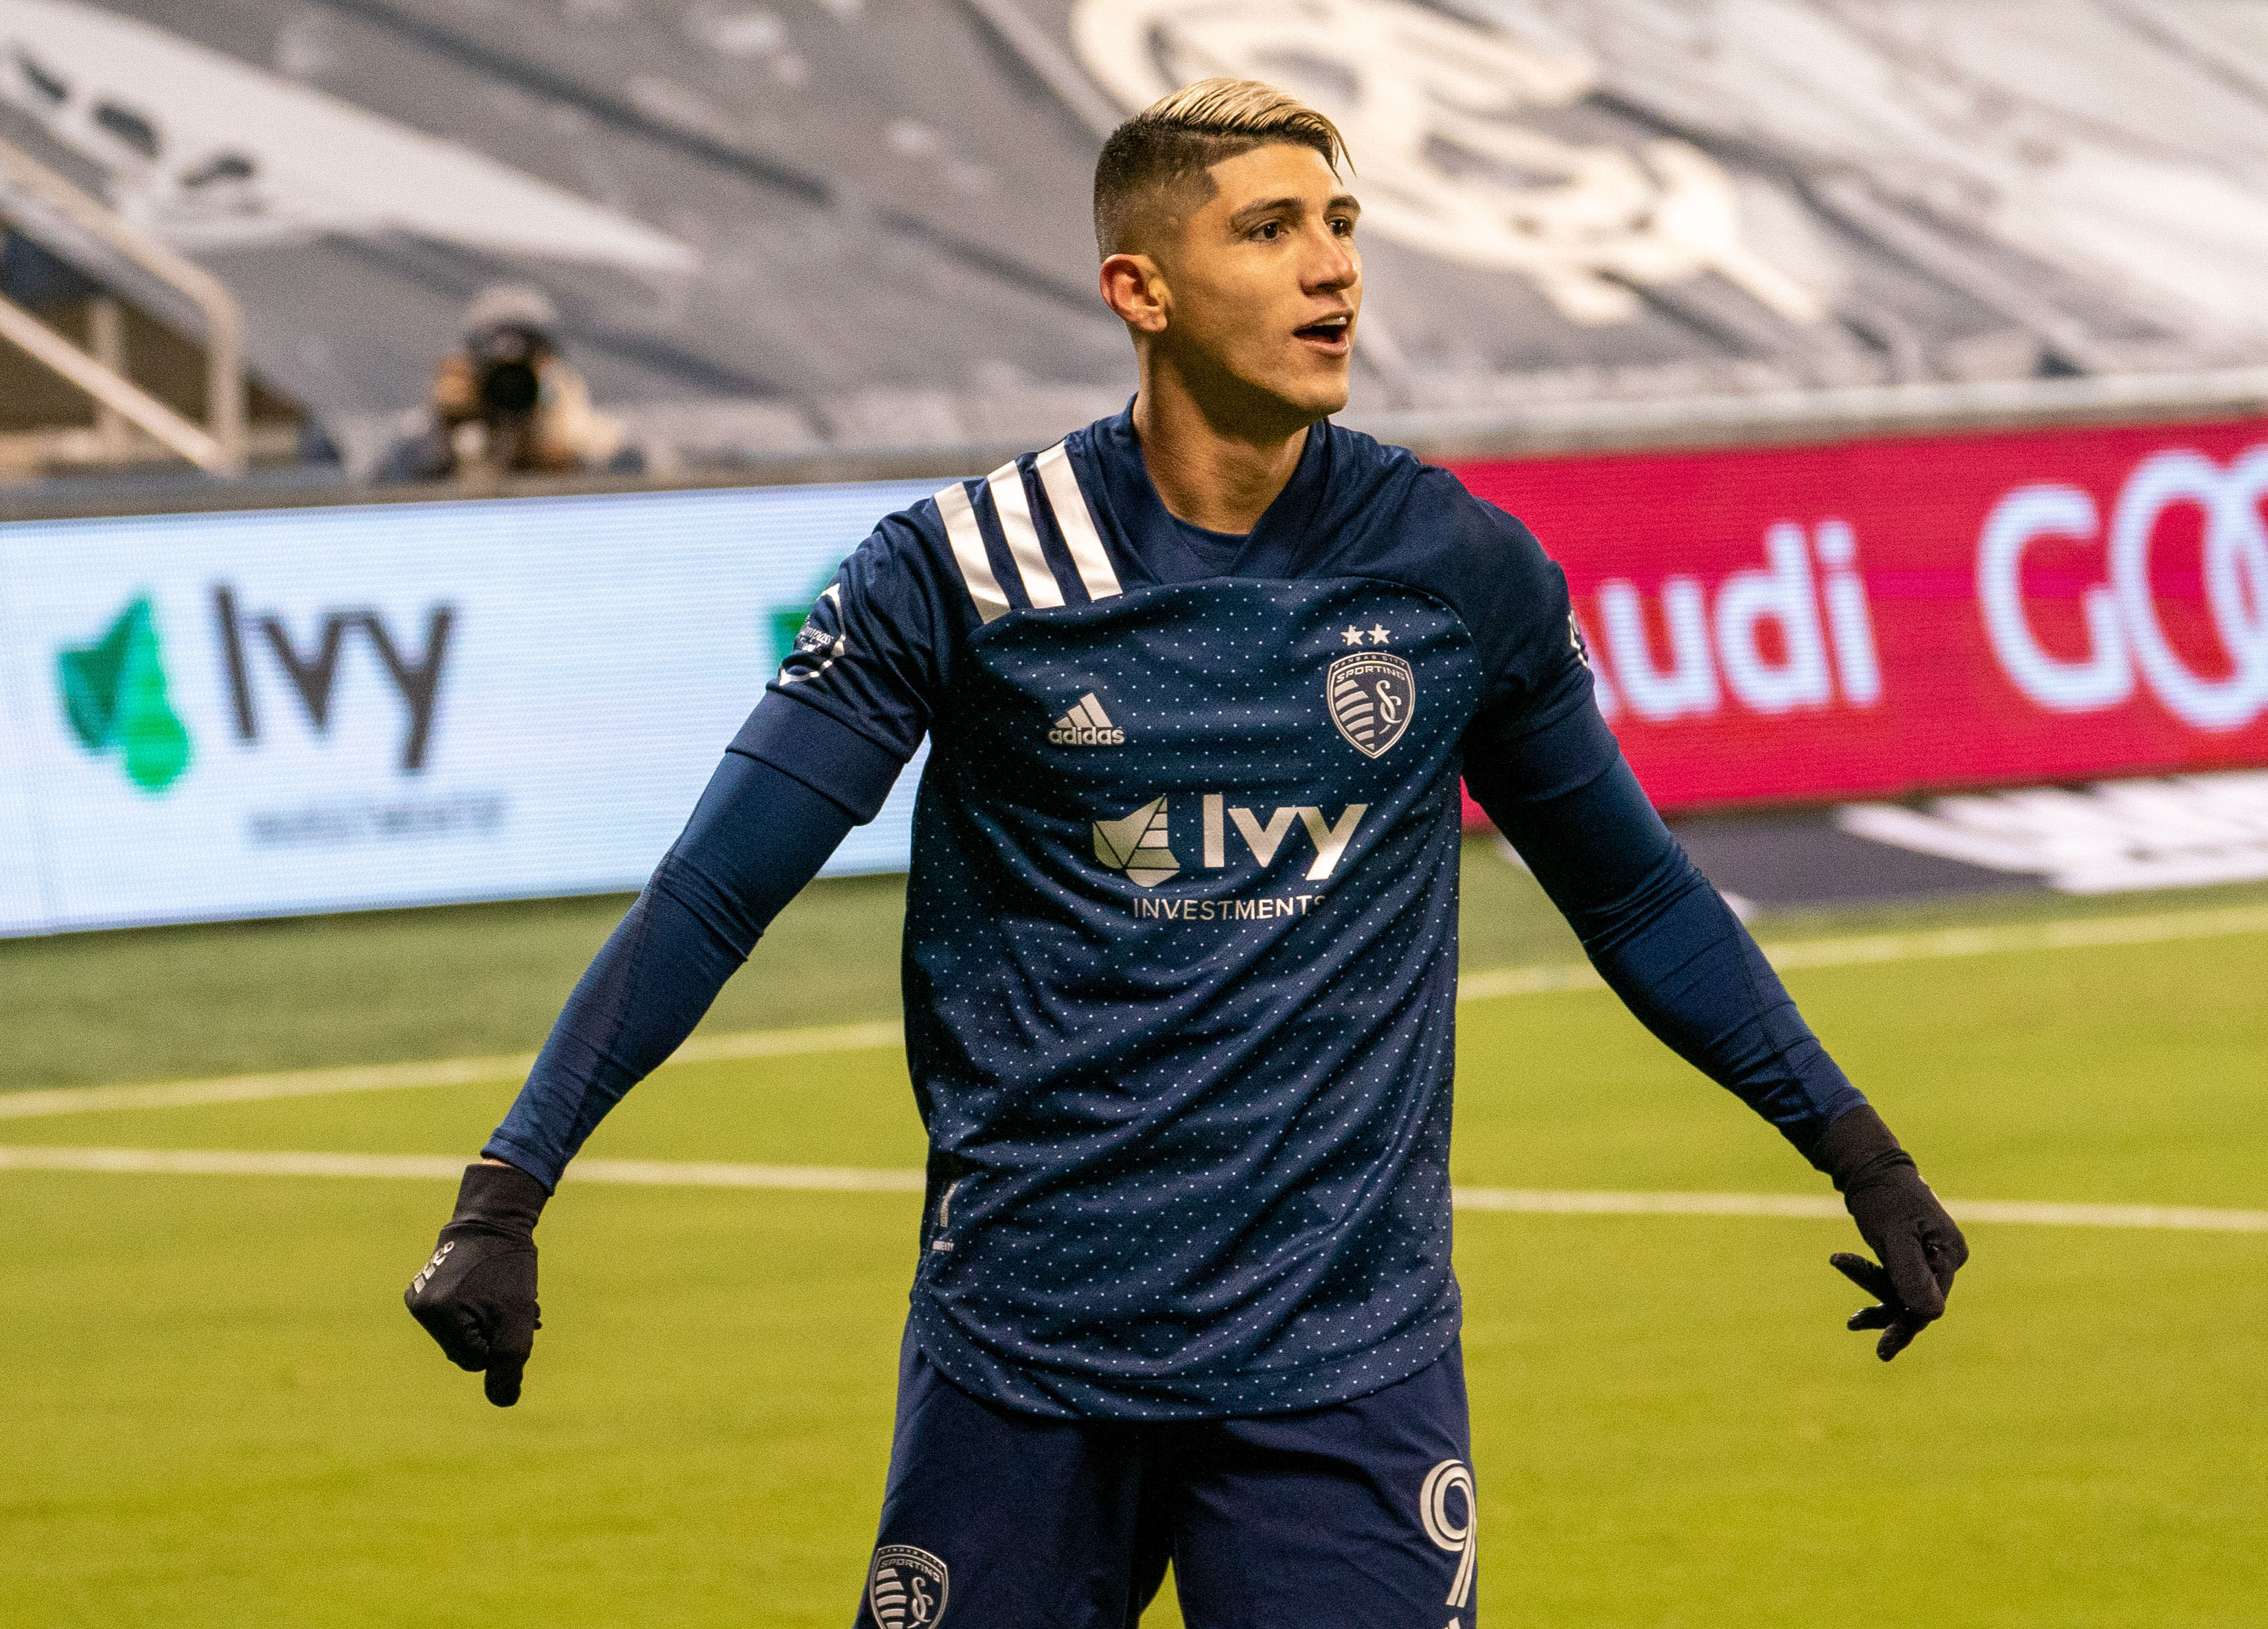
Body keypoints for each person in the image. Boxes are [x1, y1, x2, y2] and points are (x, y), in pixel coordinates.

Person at [404, 80, 1967, 1627]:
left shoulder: (1456, 572)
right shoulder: (963, 574)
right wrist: (508, 1187)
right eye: (1271, 229)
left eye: (1342, 225)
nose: (1333, 267)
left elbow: (1632, 891)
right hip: (1021, 1369)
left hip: (1345, 1377)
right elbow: (719, 887)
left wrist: (1856, 1146)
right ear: (1138, 290)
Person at [372, 283, 638, 483]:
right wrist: (440, 435)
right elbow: (373, 505)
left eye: (526, 365)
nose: (511, 382)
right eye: (494, 367)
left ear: (554, 368)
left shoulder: (604, 443)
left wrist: (571, 451)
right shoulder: (422, 442)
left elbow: (642, 503)